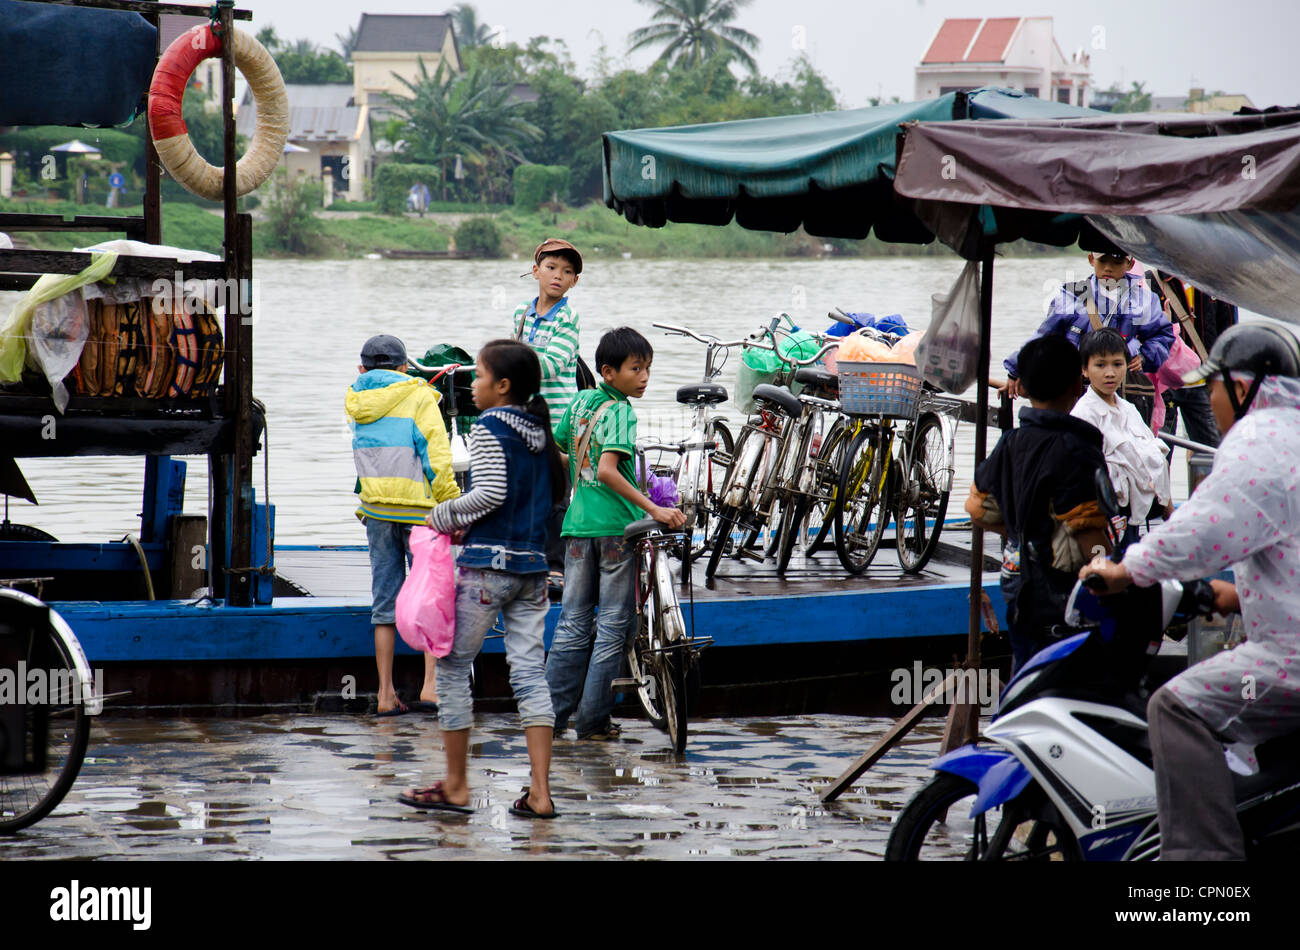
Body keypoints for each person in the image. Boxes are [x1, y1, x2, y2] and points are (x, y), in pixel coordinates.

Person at [1081, 323, 1300, 861]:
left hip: (1289, 658)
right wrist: (1234, 596)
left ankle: (1202, 868)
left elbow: (1205, 529)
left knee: (1175, 707)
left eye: (1214, 388)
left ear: (1244, 386)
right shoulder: (1290, 434)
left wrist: (1126, 570)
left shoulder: (1259, 440)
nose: (1210, 400)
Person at [400, 340, 565, 818]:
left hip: (488, 568)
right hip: (533, 570)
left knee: (451, 670)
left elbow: (490, 491)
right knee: (531, 675)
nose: (472, 386)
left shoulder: (491, 426)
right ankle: (540, 793)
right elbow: (547, 493)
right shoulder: (540, 430)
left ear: (503, 386)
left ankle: (455, 786)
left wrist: (442, 516)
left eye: (478, 377)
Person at [545, 327, 686, 740]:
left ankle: (549, 720)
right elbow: (607, 470)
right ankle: (592, 722)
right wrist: (655, 507)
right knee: (611, 625)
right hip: (614, 532)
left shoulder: (582, 401)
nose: (644, 377)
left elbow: (560, 450)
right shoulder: (621, 412)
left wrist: (576, 483)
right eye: (635, 369)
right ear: (608, 371)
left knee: (571, 624)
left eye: (648, 368)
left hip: (576, 527)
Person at [966, 334, 1109, 673]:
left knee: (1028, 670)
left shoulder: (1011, 441)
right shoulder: (1076, 449)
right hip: (1060, 589)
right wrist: (1114, 578)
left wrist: (1024, 530)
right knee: (1068, 679)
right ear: (1078, 384)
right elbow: (1089, 537)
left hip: (1016, 579)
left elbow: (977, 508)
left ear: (1024, 388)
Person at [345, 334, 459, 716]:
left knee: (384, 602)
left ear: (363, 369)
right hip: (420, 513)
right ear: (406, 367)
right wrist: (451, 502)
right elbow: (436, 455)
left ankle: (384, 694)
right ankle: (430, 687)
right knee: (431, 598)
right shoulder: (420, 396)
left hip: (376, 510)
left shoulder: (357, 401)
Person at [1001, 251, 1174, 424]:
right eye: (1103, 261)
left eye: (1117, 262)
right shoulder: (1071, 295)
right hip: (1076, 389)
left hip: (1120, 388)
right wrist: (1014, 370)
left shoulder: (1143, 299)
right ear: (1091, 260)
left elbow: (1162, 335)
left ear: (1129, 264)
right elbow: (1043, 340)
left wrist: (1144, 357)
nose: (1108, 268)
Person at [512, 237, 583, 590]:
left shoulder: (569, 318)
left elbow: (552, 364)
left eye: (567, 272)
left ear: (574, 282)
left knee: (557, 494)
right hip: (527, 419)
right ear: (536, 270)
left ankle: (557, 565)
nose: (558, 276)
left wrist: (509, 366)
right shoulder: (521, 315)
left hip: (559, 421)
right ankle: (530, 556)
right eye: (551, 268)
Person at [1070, 328, 1173, 538]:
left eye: (1117, 364)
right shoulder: (1083, 414)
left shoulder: (1129, 409)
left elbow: (1154, 454)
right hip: (1105, 517)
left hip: (1134, 514)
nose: (1110, 373)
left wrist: (1167, 506)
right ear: (1085, 370)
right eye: (1100, 365)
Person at [1145, 268, 1231, 449]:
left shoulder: (1217, 284)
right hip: (1164, 384)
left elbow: (1228, 335)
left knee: (1212, 452)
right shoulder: (1150, 281)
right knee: (1159, 451)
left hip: (1204, 382)